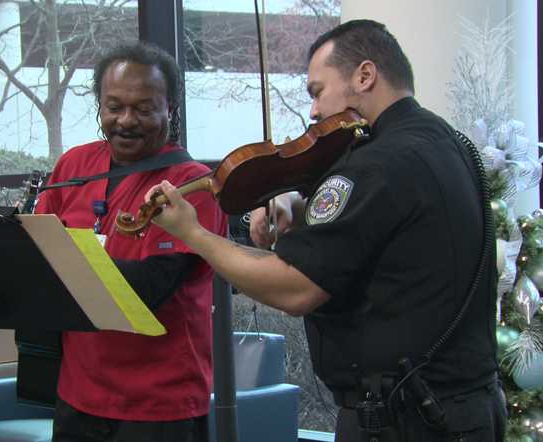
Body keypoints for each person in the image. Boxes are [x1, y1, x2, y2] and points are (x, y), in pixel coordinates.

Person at [145, 20, 506, 441]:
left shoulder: (376, 163)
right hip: (466, 408)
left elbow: (295, 288)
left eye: (317, 91)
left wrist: (195, 233)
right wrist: (299, 204)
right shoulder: (446, 141)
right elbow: (387, 234)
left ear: (365, 76)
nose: (314, 111)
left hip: (406, 420)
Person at [33, 41, 227, 442]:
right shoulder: (74, 165)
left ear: (169, 110)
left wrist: (63, 254)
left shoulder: (192, 185)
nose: (126, 121)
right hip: (77, 394)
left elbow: (149, 287)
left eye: (143, 109)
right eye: (114, 106)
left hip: (159, 405)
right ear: (99, 107)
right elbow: (36, 256)